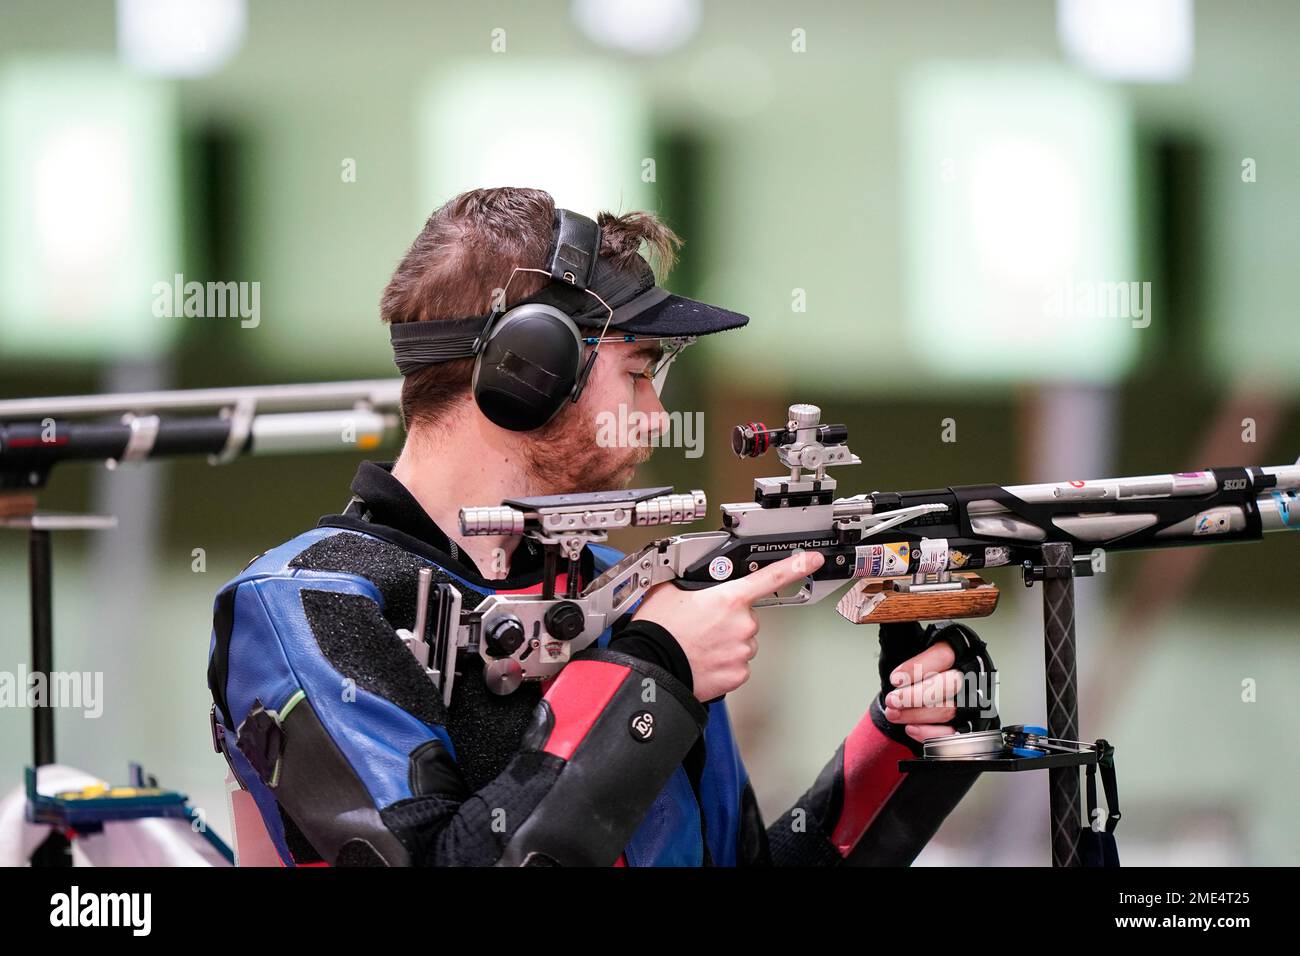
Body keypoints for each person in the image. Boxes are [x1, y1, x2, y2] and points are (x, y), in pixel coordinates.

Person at [206, 186, 997, 866]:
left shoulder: (620, 593)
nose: (657, 417)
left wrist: (908, 740)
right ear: (530, 365)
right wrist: (651, 671)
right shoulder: (306, 605)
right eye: (641, 371)